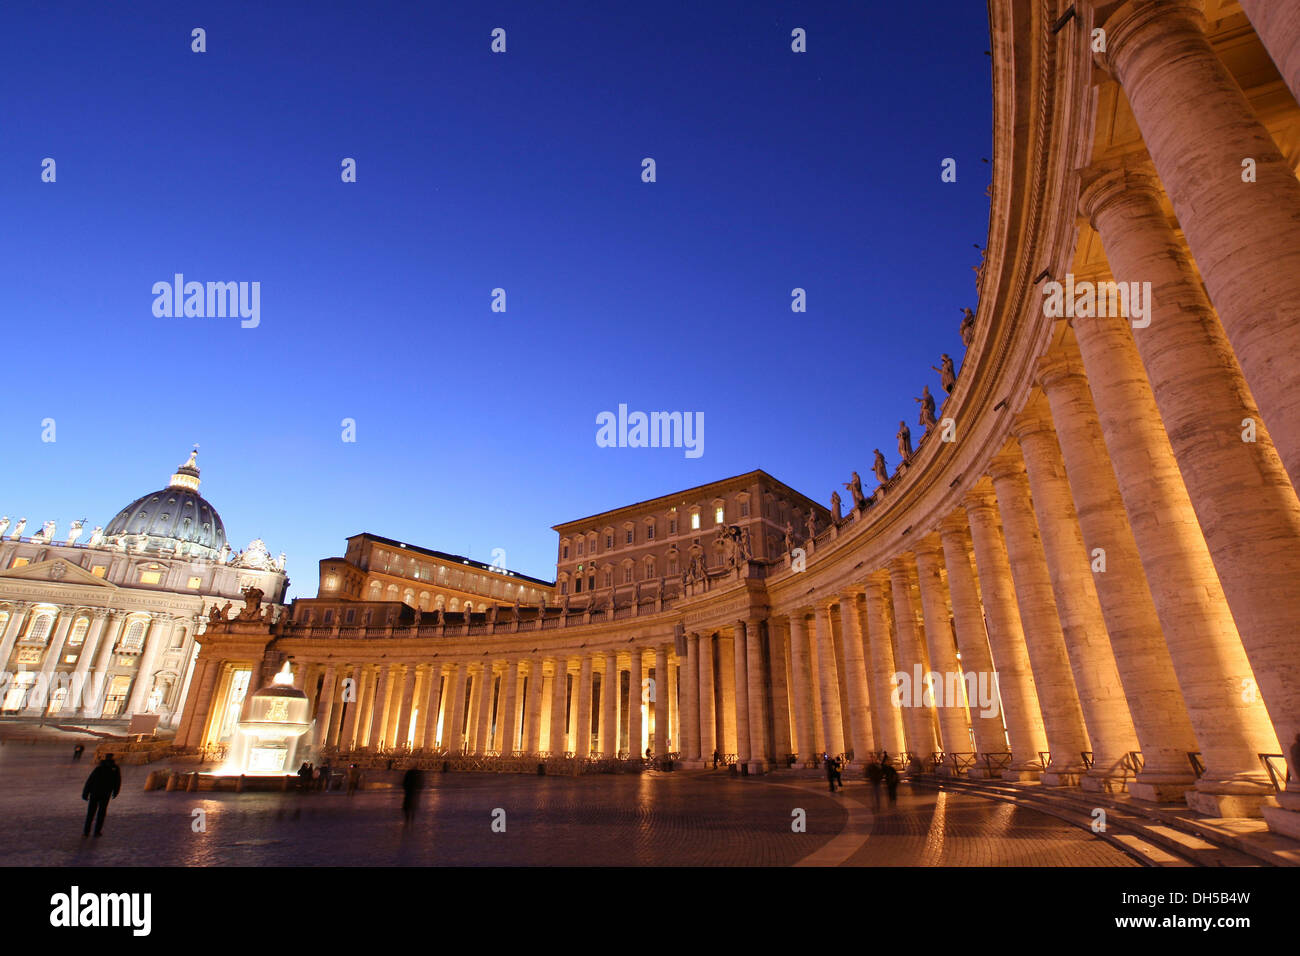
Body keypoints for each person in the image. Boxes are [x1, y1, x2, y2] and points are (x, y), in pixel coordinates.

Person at [81, 754, 121, 837]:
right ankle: (95, 831)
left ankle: (87, 832)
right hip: (104, 794)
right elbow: (117, 781)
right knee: (100, 813)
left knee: (91, 813)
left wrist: (86, 792)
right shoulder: (114, 768)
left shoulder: (101, 767)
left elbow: (90, 780)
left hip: (96, 793)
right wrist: (115, 792)